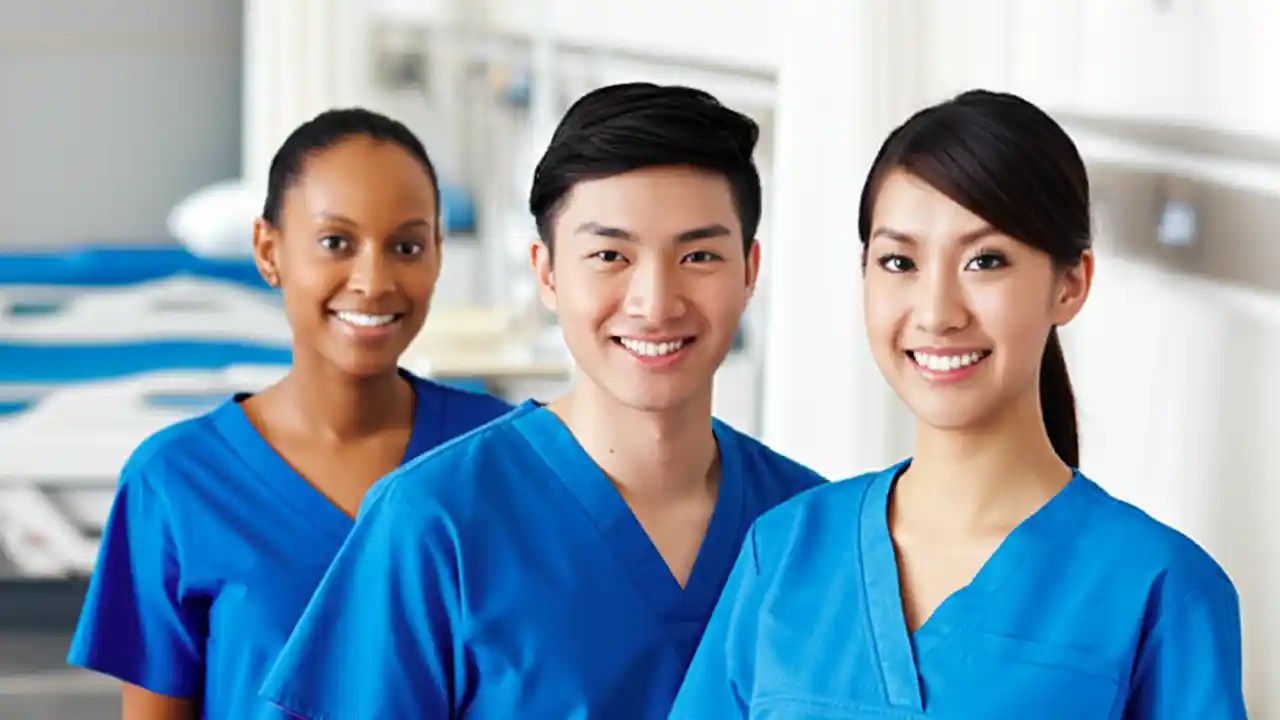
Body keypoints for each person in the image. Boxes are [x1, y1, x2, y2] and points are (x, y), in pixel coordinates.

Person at [670, 89, 1248, 719]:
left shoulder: (1158, 589)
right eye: (899, 261)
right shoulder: (783, 553)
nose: (938, 312)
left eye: (985, 260)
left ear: (1071, 284)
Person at [258, 82, 826, 719]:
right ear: (548, 273)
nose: (656, 302)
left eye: (698, 255)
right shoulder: (435, 524)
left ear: (749, 271)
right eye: (610, 255)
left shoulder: (814, 530)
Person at [67, 108, 513, 719]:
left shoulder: (502, 455)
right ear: (268, 249)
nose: (374, 280)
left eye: (407, 246)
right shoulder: (175, 483)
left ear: (438, 255)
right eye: (336, 243)